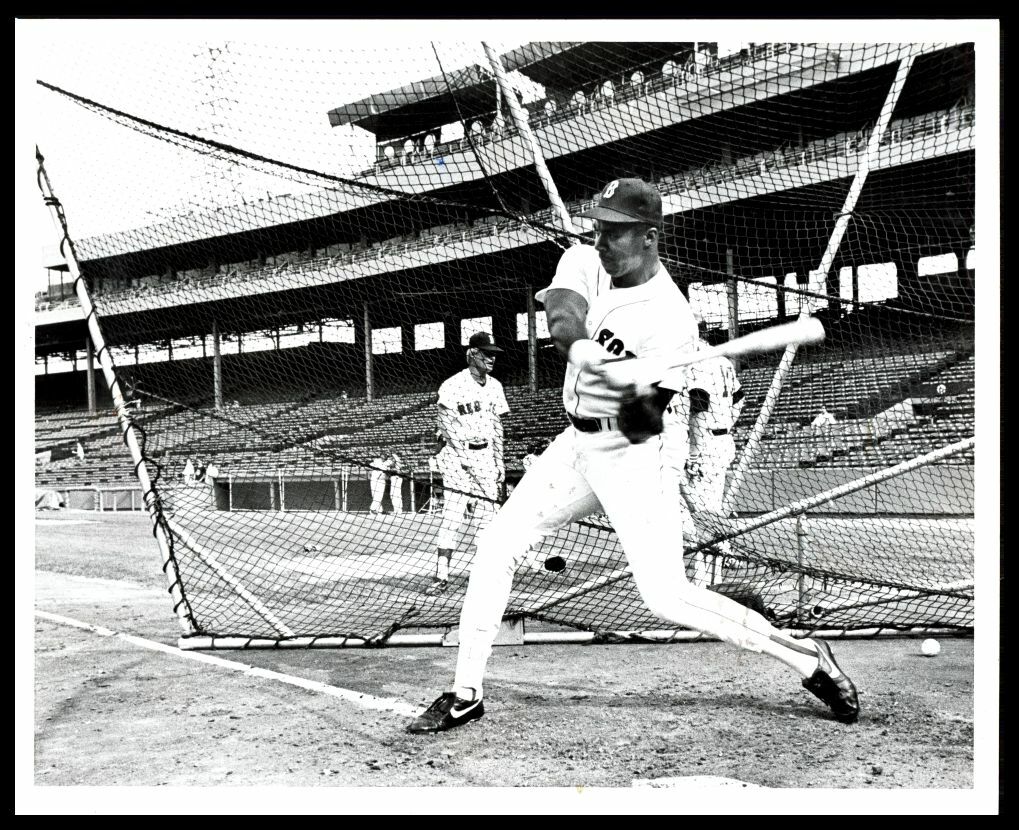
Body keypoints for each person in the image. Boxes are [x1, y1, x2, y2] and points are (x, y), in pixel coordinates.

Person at [407, 178, 859, 733]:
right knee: (496, 545)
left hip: (636, 455)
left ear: (648, 237)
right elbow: (563, 317)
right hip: (575, 445)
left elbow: (646, 419)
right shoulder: (586, 257)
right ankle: (465, 691)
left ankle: (806, 657)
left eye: (615, 233)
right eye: (599, 227)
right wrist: (585, 354)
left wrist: (628, 387)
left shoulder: (672, 319)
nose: (602, 241)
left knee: (665, 596)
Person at [427, 331, 509, 594]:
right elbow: (442, 421)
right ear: (472, 353)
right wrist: (461, 455)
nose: (492, 358)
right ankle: (441, 576)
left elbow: (497, 425)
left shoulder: (495, 386)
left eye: (494, 354)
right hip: (456, 454)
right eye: (486, 353)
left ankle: (483, 576)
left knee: (488, 519)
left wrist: (500, 462)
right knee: (453, 514)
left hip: (485, 455)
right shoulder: (453, 384)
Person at [682, 341, 745, 583]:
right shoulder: (722, 360)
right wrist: (725, 423)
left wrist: (695, 451)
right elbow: (739, 401)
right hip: (722, 440)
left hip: (704, 444)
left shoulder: (697, 361)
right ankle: (715, 574)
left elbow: (698, 405)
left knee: (702, 516)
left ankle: (703, 581)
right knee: (712, 510)